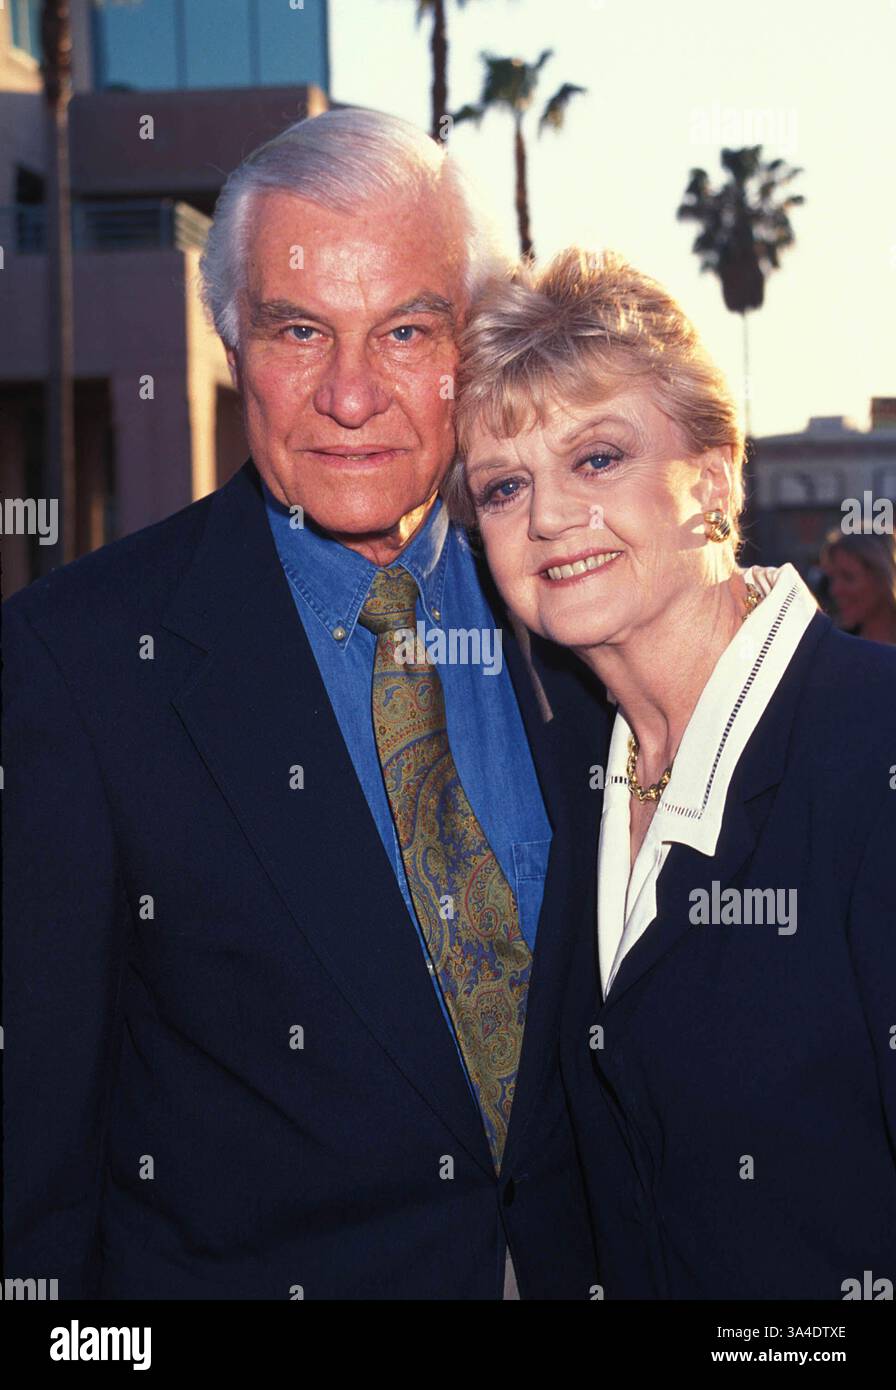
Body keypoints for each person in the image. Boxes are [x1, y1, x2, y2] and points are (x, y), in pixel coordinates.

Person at [2, 112, 610, 1300]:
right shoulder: (77, 665)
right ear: (231, 340)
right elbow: (35, 1167)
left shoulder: (578, 608)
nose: (347, 394)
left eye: (403, 329)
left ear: (468, 347)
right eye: (297, 330)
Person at [449, 246, 896, 1299]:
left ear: (707, 479)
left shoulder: (870, 747)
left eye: (596, 458)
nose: (549, 515)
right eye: (504, 486)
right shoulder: (554, 777)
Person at [821, 528, 896, 644]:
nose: (835, 590)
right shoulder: (834, 647)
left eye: (848, 577)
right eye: (832, 578)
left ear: (884, 577)